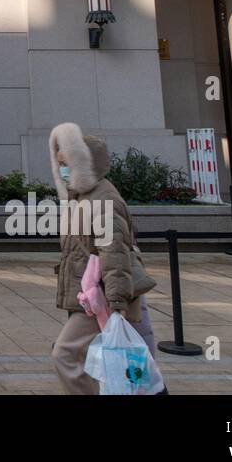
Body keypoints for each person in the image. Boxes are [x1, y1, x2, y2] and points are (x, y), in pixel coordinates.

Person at [48, 122, 165, 395]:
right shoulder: (81, 197)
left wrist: (116, 302)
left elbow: (114, 253)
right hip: (91, 296)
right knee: (99, 359)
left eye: (67, 163)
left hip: (101, 297)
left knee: (64, 355)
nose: (62, 169)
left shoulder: (102, 199)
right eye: (60, 164)